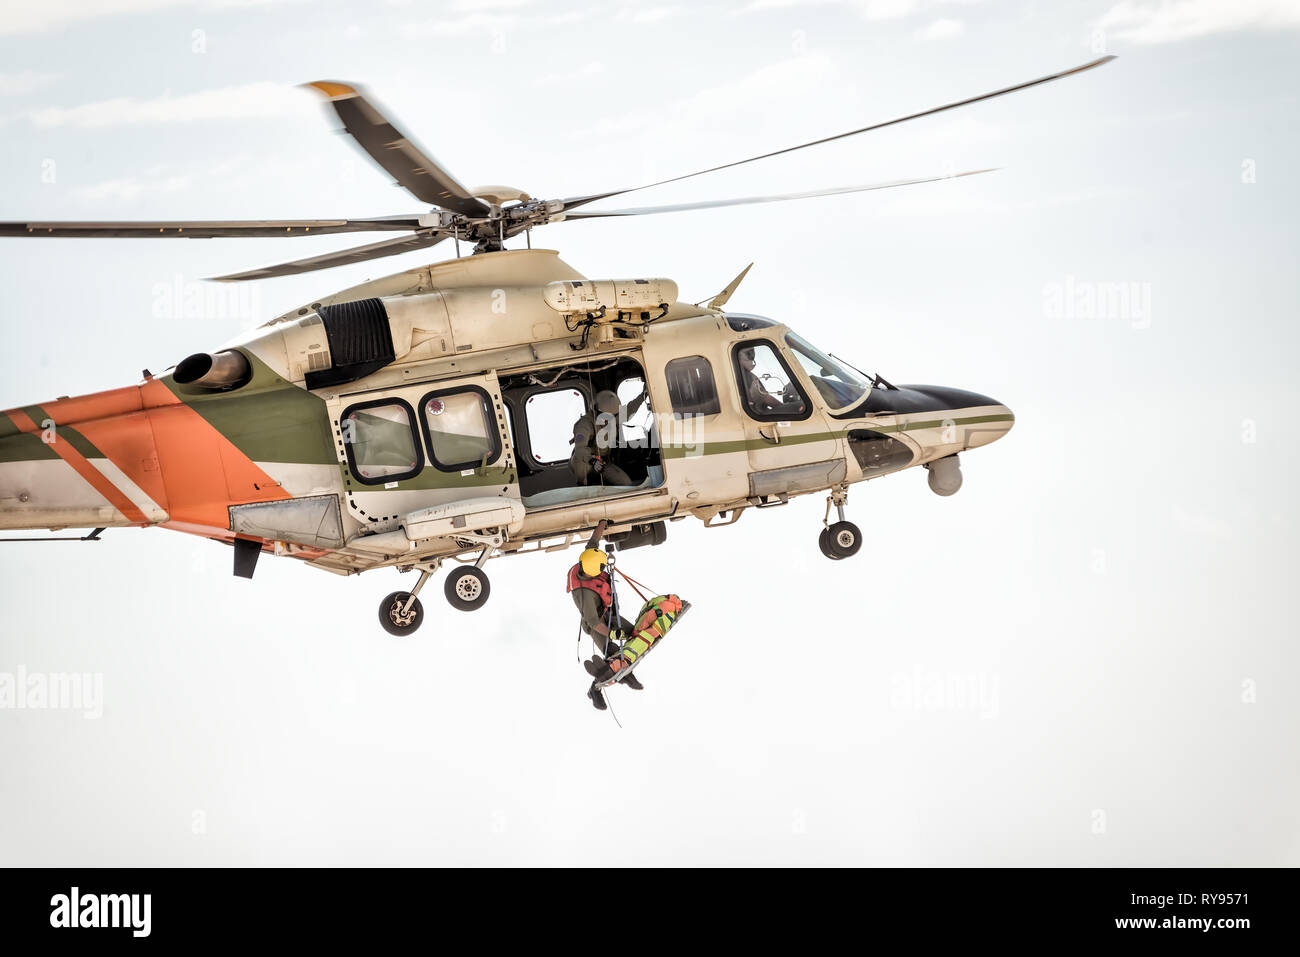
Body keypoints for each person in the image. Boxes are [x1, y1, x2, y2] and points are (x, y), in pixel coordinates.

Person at [566, 521, 644, 710]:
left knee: (634, 633)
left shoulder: (587, 560)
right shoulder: (583, 592)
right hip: (597, 624)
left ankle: (625, 672)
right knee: (612, 652)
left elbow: (592, 542)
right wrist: (611, 634)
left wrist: (602, 523)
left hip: (608, 614)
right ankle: (595, 690)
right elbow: (593, 621)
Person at [568, 387, 647, 487]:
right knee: (579, 460)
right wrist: (592, 461)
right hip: (586, 461)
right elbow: (580, 449)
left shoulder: (611, 418)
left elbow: (629, 410)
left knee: (626, 483)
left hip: (603, 461)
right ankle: (582, 487)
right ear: (596, 412)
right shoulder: (584, 424)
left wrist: (642, 396)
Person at [738, 346, 804, 416]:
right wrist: (785, 408)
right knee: (798, 407)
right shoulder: (745, 375)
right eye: (749, 354)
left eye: (752, 353)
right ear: (739, 357)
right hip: (757, 414)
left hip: (757, 413)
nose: (752, 356)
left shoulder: (743, 374)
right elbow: (765, 398)